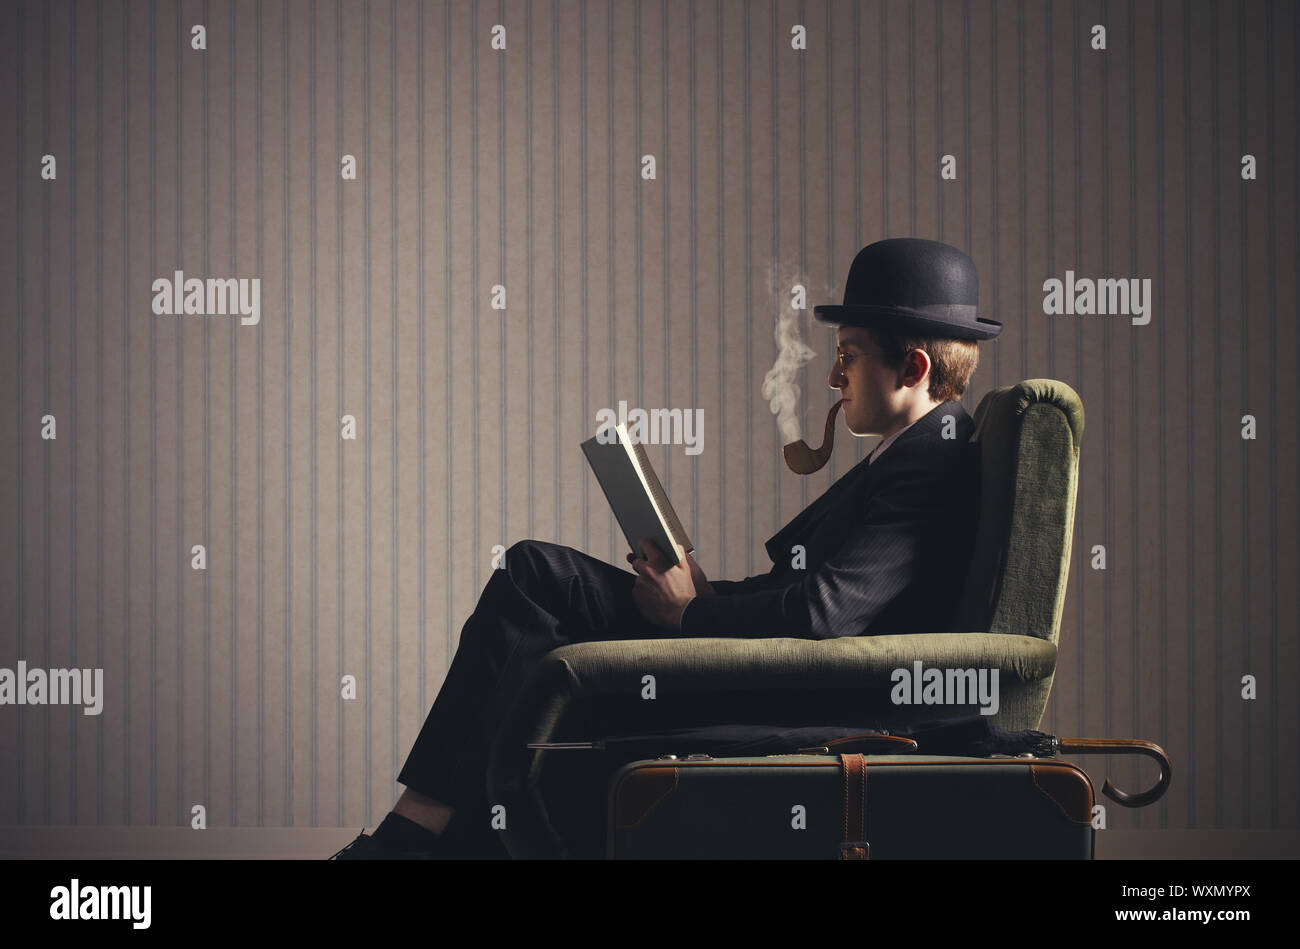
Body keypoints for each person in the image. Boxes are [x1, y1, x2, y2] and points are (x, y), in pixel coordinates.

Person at [330, 237, 1002, 859]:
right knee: (536, 601)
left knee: (535, 577)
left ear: (913, 366)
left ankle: (414, 834)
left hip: (807, 692)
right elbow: (818, 596)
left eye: (849, 354)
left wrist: (692, 616)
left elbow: (822, 614)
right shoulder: (912, 452)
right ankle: (435, 836)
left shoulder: (927, 466)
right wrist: (704, 595)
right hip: (777, 662)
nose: (834, 377)